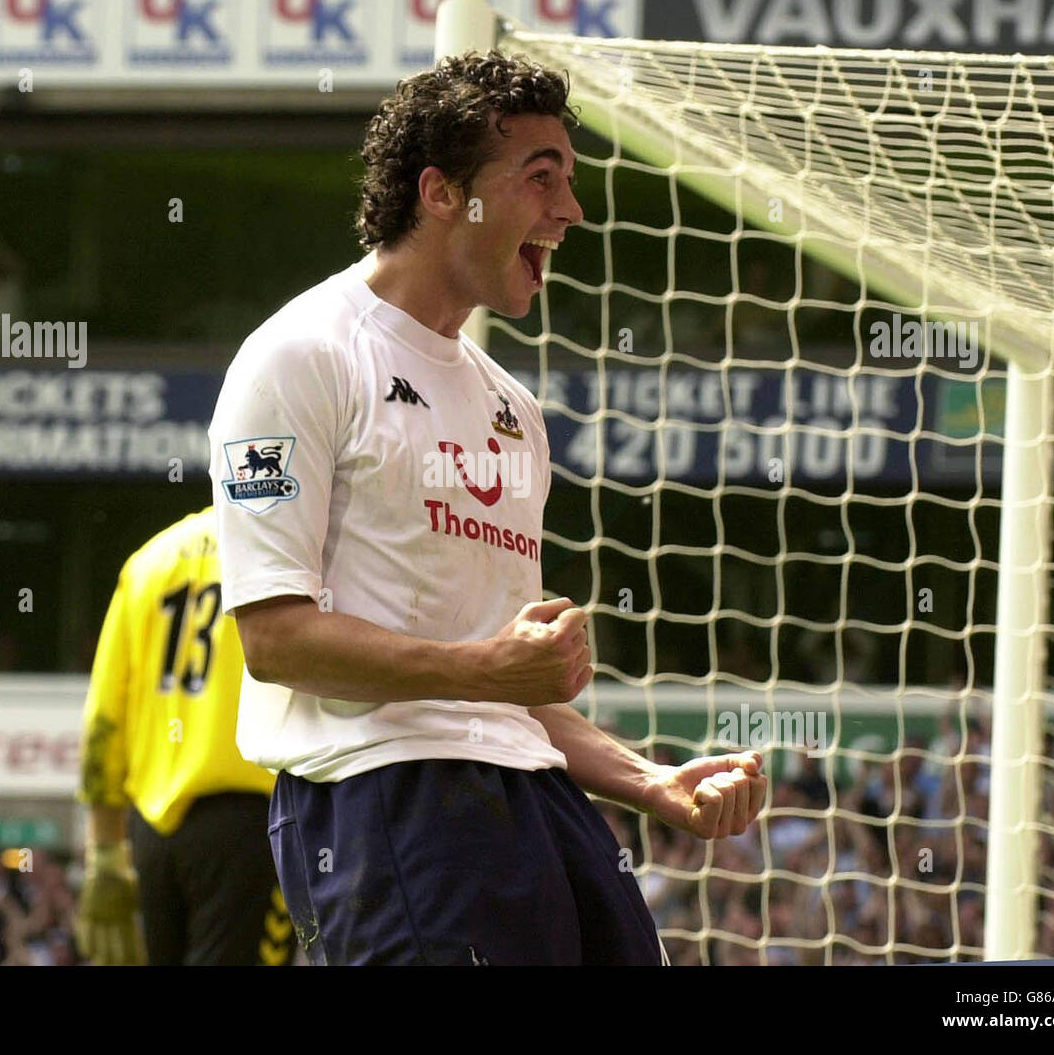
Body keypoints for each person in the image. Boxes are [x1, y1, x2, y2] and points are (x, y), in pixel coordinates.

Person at [208, 51, 767, 966]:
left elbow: (509, 685)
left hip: (535, 795)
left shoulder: (516, 408)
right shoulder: (300, 356)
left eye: (571, 181)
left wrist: (652, 781)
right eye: (540, 178)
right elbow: (274, 640)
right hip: (384, 795)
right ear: (440, 192)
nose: (571, 211)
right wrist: (487, 667)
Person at [76, 506, 295, 966]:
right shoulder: (283, 551)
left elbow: (102, 719)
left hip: (153, 833)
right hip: (252, 826)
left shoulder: (149, 561)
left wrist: (104, 853)